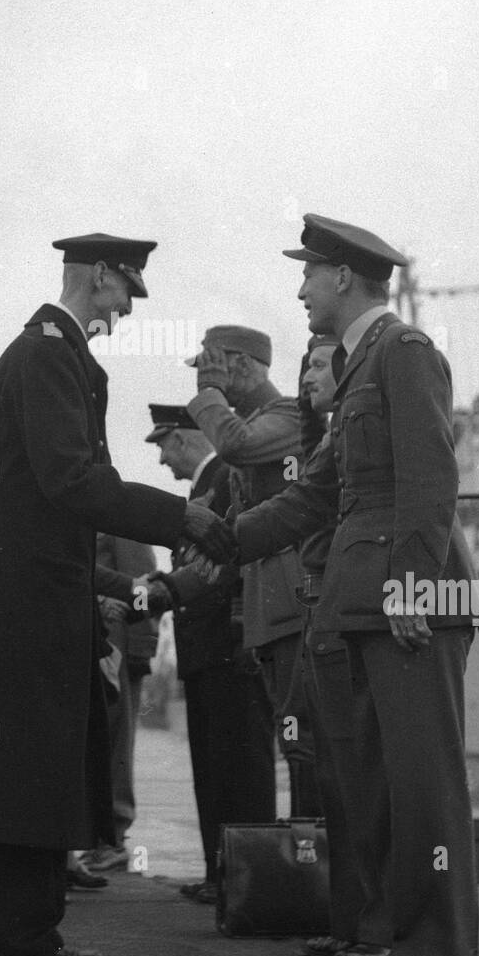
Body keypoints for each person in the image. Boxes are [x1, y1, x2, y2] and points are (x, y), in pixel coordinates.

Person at [0, 232, 233, 956]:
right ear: (99, 276)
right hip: (20, 594)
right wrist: (181, 519)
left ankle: (36, 939)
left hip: (36, 588)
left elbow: (73, 487)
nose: (122, 313)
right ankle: (20, 955)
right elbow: (71, 481)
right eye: (121, 295)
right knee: (17, 772)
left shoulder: (61, 355)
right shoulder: (47, 353)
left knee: (40, 768)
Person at [233, 214, 479, 956]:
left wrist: (410, 585)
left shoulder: (402, 353)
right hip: (360, 601)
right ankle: (387, 941)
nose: (300, 287)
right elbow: (316, 499)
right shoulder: (355, 367)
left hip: (409, 599)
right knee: (371, 785)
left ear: (342, 277)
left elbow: (429, 478)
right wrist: (212, 534)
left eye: (307, 273)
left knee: (422, 786)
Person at [187, 325, 324, 818]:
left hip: (292, 598)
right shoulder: (260, 420)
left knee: (303, 735)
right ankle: (305, 853)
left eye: (214, 367)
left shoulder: (287, 415)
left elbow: (236, 446)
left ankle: (316, 856)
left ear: (242, 366)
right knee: (291, 731)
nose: (205, 380)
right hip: (268, 603)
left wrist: (207, 395)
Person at [145, 404, 276, 904]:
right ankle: (222, 874)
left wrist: (157, 593)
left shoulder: (229, 479)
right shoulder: (211, 484)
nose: (162, 461)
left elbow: (223, 566)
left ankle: (250, 880)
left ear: (183, 439)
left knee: (240, 768)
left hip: (230, 649)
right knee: (213, 768)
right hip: (206, 652)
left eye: (163, 447)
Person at [295, 338, 391, 956]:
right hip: (328, 614)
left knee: (364, 776)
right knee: (334, 778)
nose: (304, 377)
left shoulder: (357, 433)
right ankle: (350, 921)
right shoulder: (328, 442)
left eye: (314, 365)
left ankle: (376, 929)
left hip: (356, 611)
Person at [84, 532, 170, 875]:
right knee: (98, 739)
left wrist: (137, 648)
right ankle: (99, 837)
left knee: (115, 738)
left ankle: (113, 837)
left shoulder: (114, 522)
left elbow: (142, 588)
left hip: (117, 638)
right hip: (94, 634)